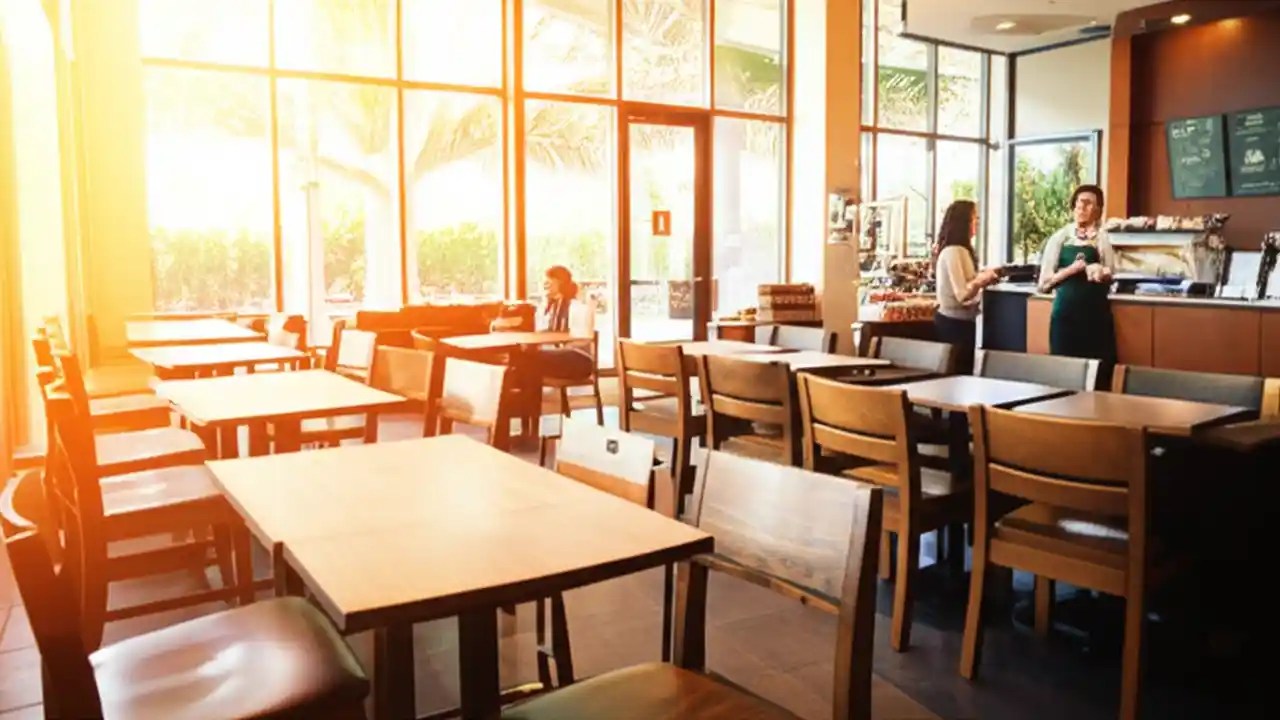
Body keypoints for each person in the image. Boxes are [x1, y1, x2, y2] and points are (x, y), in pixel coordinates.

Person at [1036, 184, 1117, 369]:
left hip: (1096, 318)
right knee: (1064, 371)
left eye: (1088, 203)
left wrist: (1099, 271)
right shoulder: (1060, 238)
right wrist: (1072, 270)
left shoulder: (1102, 239)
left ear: (1098, 211)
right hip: (1065, 318)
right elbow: (1043, 284)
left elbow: (1111, 273)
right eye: (1079, 202)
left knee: (1100, 373)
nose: (1081, 207)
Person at [933, 200, 1001, 375]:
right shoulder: (954, 251)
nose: (976, 224)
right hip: (954, 326)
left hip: (961, 324)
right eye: (973, 219)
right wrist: (981, 280)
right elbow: (962, 294)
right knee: (957, 376)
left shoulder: (959, 250)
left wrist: (983, 277)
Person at [536, 265, 596, 380]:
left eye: (549, 282)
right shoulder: (550, 307)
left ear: (560, 283)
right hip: (558, 356)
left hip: (579, 359)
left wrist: (559, 349)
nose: (544, 285)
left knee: (531, 359)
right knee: (525, 359)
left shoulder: (578, 307)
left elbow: (584, 338)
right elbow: (541, 332)